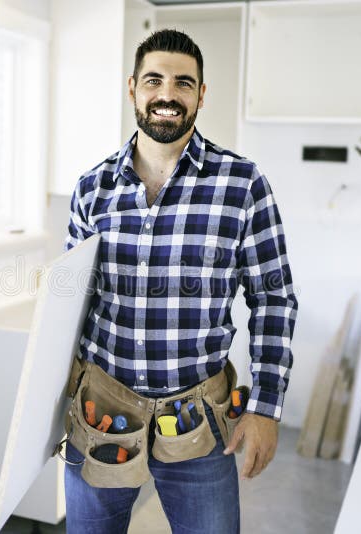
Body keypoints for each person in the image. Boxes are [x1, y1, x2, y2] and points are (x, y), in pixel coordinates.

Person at [63, 29, 297, 534]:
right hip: (101, 416)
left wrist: (265, 409)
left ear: (201, 94)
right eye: (154, 80)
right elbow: (70, 311)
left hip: (199, 424)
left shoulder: (242, 186)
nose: (167, 95)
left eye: (183, 83)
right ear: (133, 89)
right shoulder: (91, 190)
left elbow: (273, 299)